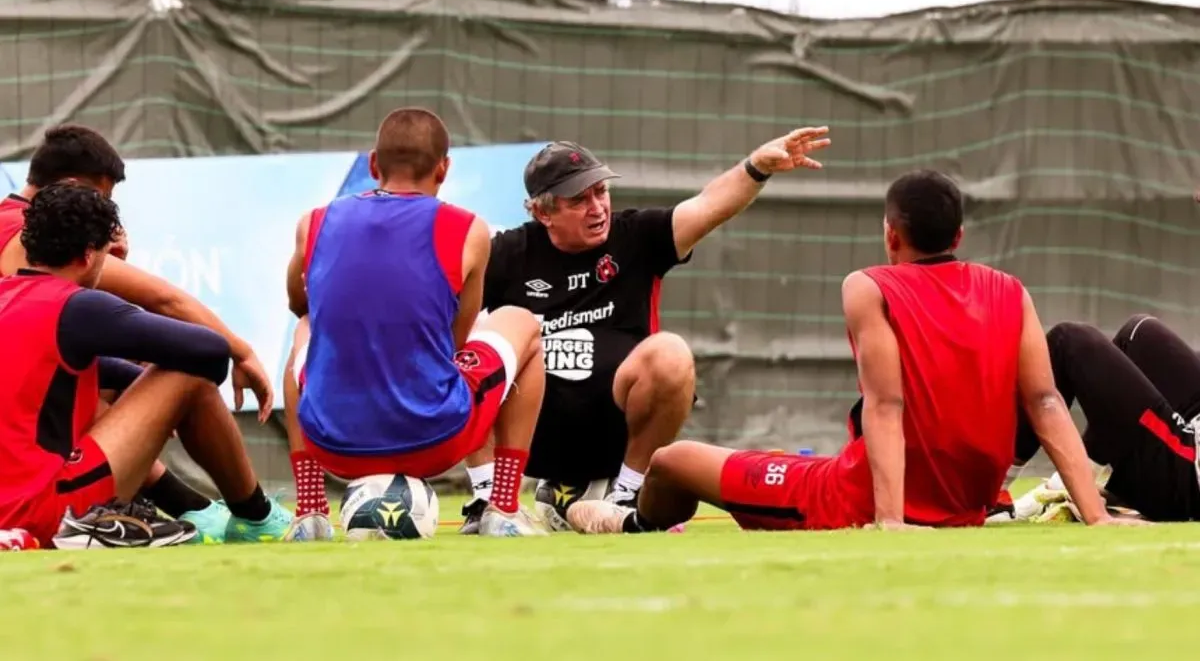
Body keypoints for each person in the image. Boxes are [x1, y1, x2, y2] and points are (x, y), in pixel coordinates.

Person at [564, 169, 1141, 534]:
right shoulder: (1010, 291)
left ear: (891, 234)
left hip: (853, 497)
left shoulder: (869, 285)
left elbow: (885, 405)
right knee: (776, 459)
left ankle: (631, 523)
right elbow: (1045, 402)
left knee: (673, 460)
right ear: (959, 236)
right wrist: (1097, 516)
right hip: (968, 500)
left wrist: (889, 520)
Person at [459, 127, 833, 533]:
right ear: (542, 213)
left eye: (601, 191)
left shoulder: (636, 235)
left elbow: (708, 206)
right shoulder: (507, 253)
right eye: (579, 200)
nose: (597, 207)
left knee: (671, 353)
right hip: (528, 438)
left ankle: (626, 494)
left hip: (616, 434)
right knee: (469, 345)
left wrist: (757, 167)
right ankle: (489, 499)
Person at [0, 124, 280, 543]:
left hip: (13, 488)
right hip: (42, 508)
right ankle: (256, 518)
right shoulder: (75, 301)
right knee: (185, 372)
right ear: (89, 252)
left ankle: (192, 508)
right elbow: (191, 334)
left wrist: (138, 380)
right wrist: (237, 351)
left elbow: (46, 359)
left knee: (78, 381)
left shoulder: (10, 288)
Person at [282, 107, 547, 538]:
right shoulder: (469, 230)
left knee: (304, 332)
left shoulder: (312, 223)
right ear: (444, 169)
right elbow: (456, 340)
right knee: (521, 321)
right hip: (436, 441)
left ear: (373, 164)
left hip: (332, 445)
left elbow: (298, 303)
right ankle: (503, 507)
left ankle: (310, 510)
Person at [990, 315, 1200, 523]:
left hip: (1190, 475)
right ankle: (1071, 484)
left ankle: (992, 493)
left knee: (1069, 342)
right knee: (1140, 333)